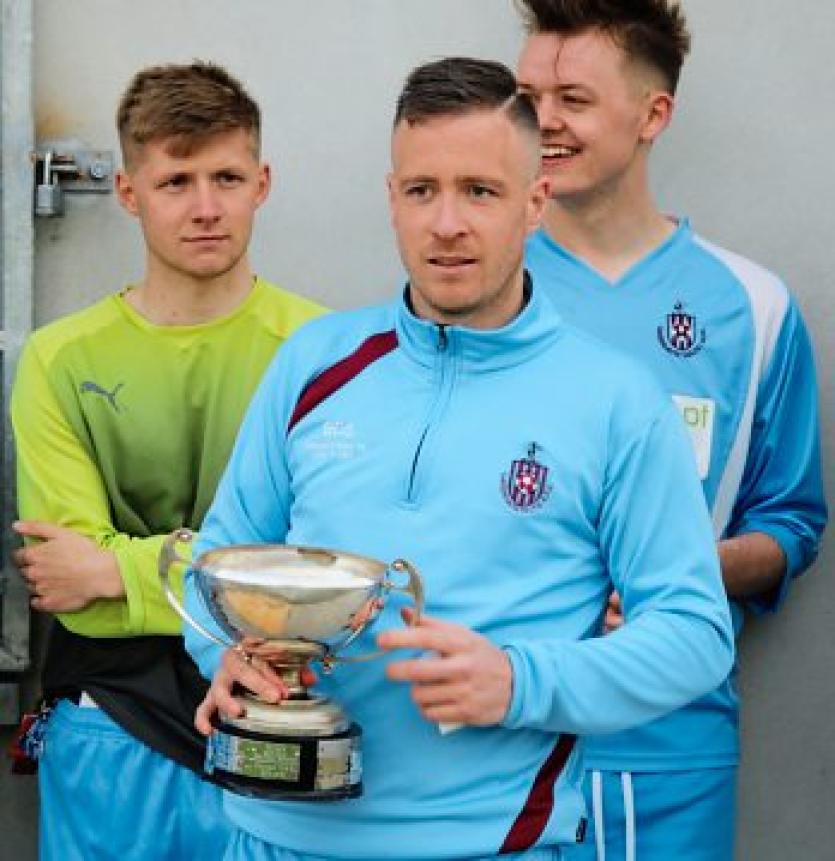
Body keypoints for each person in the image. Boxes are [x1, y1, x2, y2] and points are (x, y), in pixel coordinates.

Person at [183, 56, 733, 861]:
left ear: (534, 202)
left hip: (490, 842)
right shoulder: (314, 362)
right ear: (392, 199)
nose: (447, 224)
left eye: (479, 191)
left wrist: (517, 681)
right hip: (273, 838)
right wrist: (224, 655)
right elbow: (215, 562)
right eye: (421, 191)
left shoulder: (614, 398)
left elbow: (693, 634)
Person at [515, 2, 828, 859]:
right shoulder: (472, 286)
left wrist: (688, 571)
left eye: (572, 98)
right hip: (489, 745)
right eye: (528, 94)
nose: (542, 120)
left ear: (652, 114)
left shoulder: (752, 307)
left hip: (669, 749)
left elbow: (791, 523)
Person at [10, 61, 324, 860]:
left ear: (264, 182)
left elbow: (315, 571)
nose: (206, 207)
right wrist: (240, 578)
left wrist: (119, 570)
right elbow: (69, 594)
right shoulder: (58, 358)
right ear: (127, 191)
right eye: (176, 180)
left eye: (226, 176)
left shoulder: (325, 350)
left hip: (273, 711)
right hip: (107, 718)